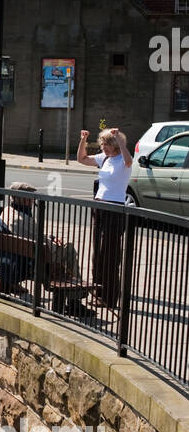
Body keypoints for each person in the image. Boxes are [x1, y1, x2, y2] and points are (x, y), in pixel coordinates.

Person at [77, 126, 132, 309]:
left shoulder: (122, 160)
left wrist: (121, 141)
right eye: (102, 145)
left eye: (107, 145)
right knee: (97, 253)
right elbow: (82, 159)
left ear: (115, 145)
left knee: (109, 254)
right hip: (99, 208)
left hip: (114, 209)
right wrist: (83, 139)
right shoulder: (105, 159)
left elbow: (129, 161)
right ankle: (98, 292)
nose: (103, 148)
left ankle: (109, 297)